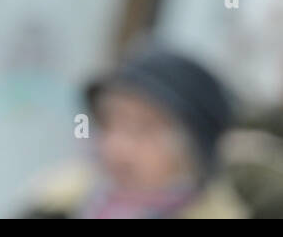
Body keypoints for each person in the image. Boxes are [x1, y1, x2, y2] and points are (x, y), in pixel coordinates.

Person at [24, 46, 248, 219]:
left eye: (145, 129)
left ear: (192, 150)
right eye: (110, 123)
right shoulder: (56, 201)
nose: (117, 147)